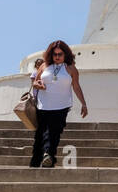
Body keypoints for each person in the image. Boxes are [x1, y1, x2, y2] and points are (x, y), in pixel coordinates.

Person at [30, 39, 88, 167]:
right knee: (41, 134)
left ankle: (48, 155)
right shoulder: (44, 66)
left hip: (61, 106)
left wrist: (83, 104)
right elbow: (35, 82)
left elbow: (76, 86)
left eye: (60, 54)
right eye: (54, 54)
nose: (57, 57)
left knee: (54, 132)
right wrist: (38, 85)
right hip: (43, 105)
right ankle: (39, 161)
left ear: (65, 54)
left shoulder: (71, 69)